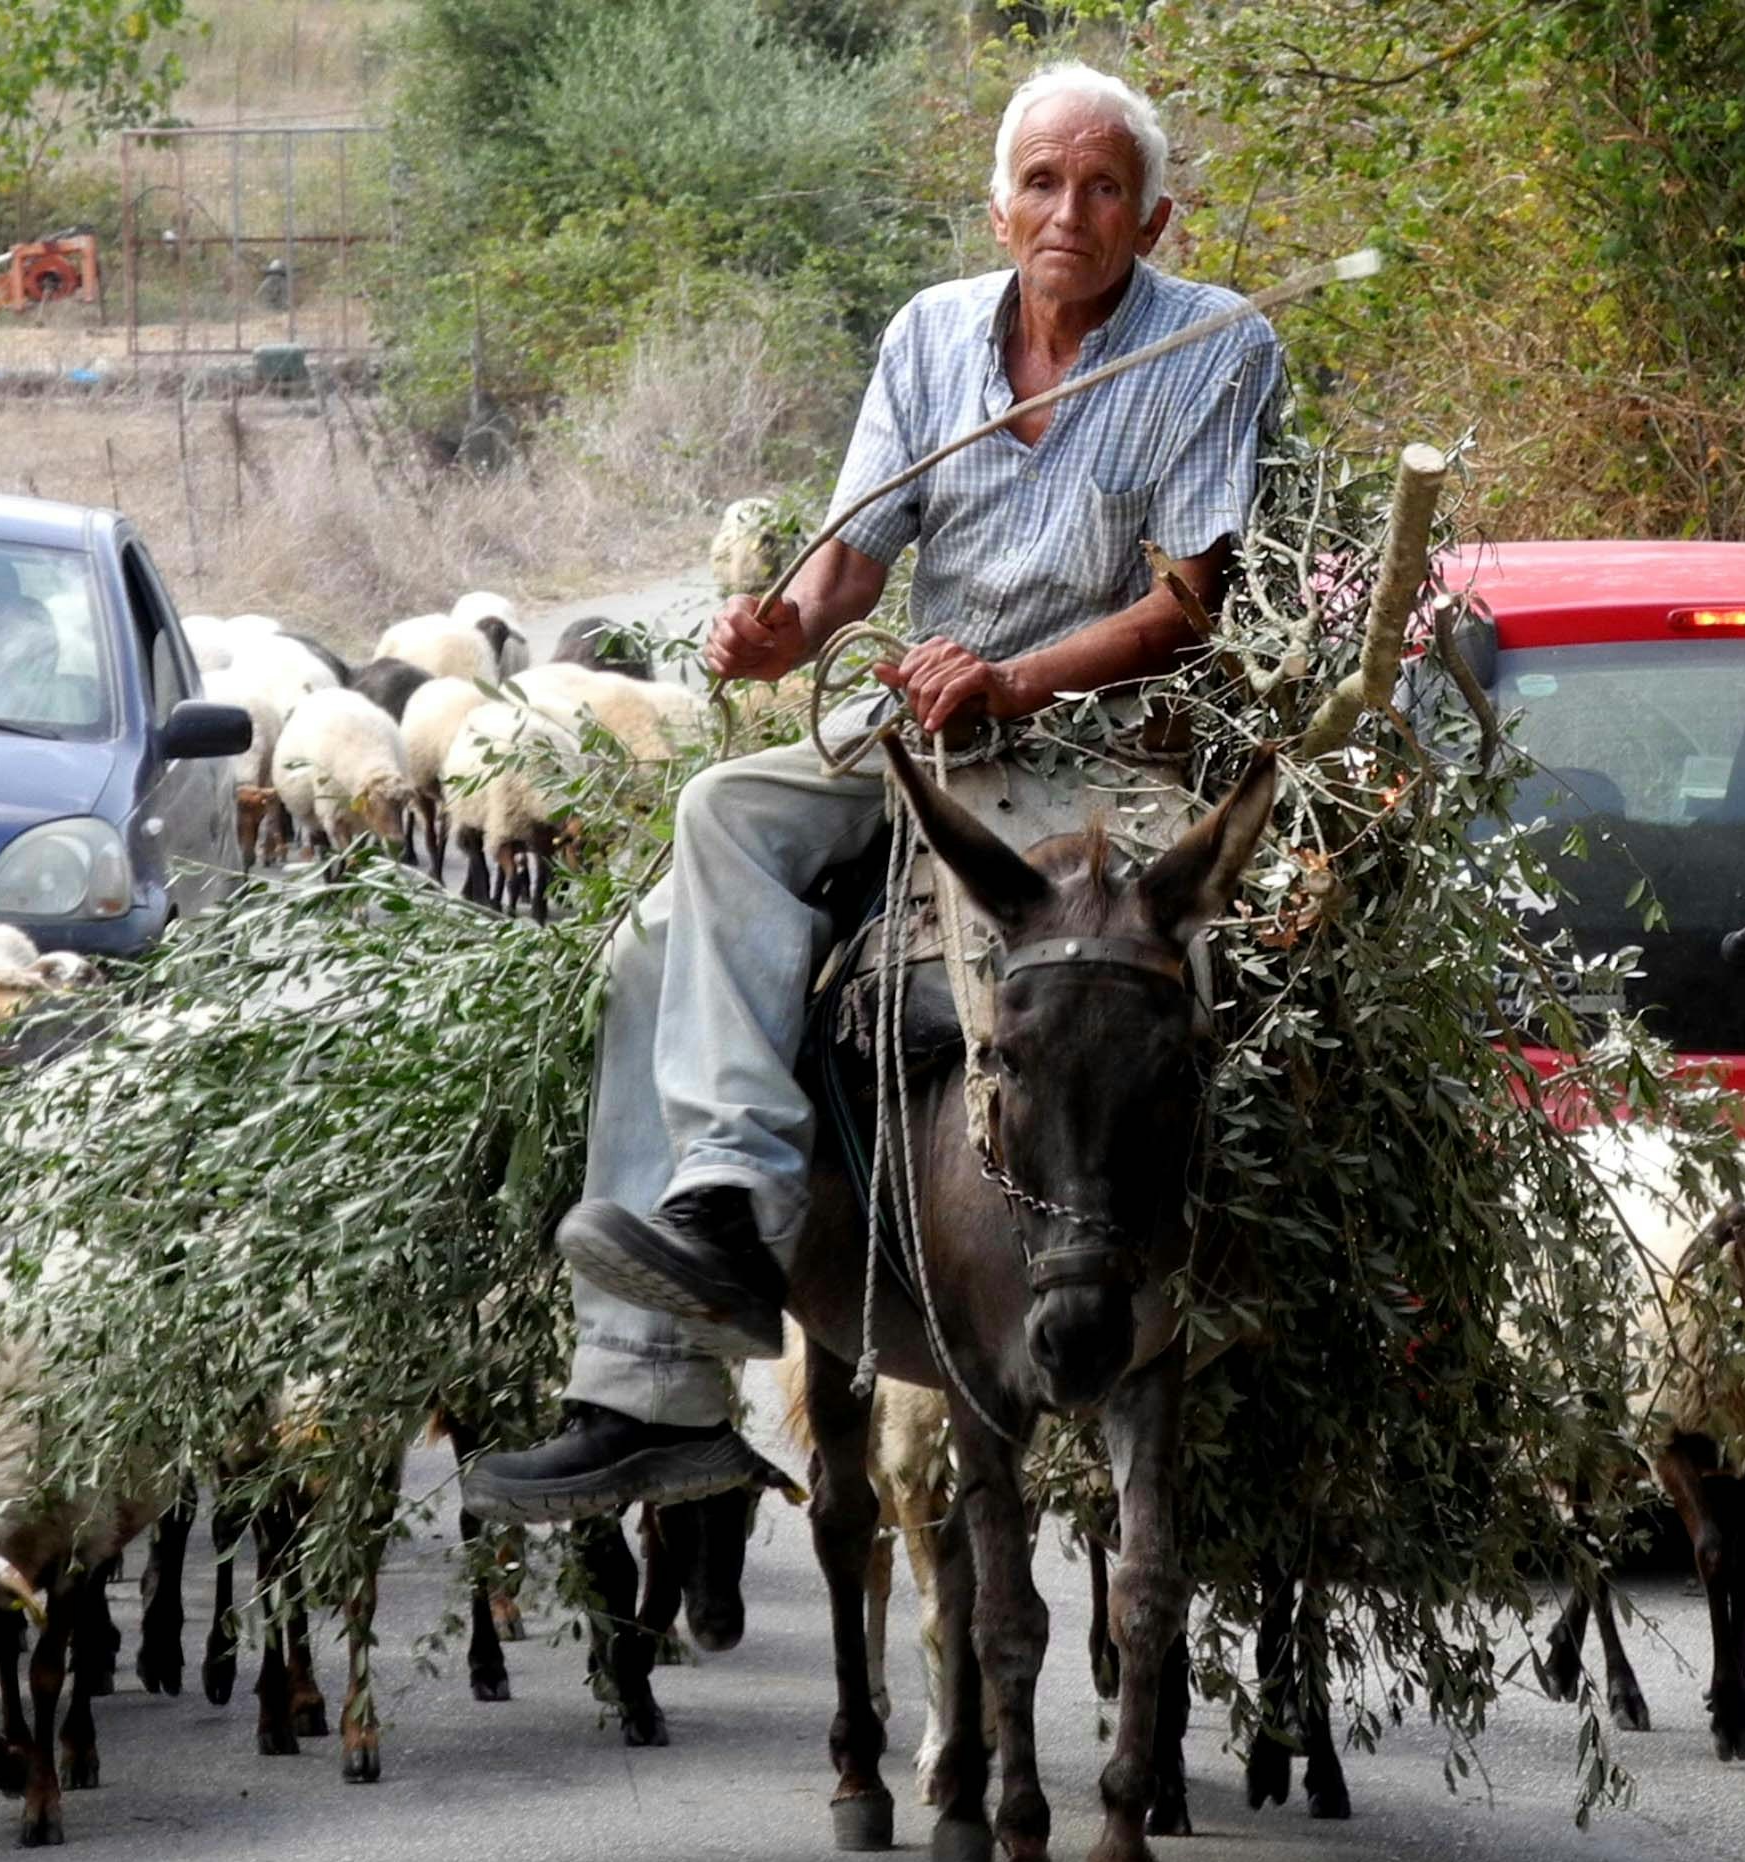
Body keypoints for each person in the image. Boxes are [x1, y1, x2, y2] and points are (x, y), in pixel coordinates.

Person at [461, 62, 1286, 1523]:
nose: (1069, 211)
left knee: (1120, 991)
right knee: (704, 841)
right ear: (997, 202)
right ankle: (676, 1322)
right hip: (924, 728)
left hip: (1099, 757)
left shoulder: (1214, 347)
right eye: (1041, 181)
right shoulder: (926, 338)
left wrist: (1019, 678)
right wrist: (791, 626)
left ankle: (1162, 1278)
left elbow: (1185, 603)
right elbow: (851, 560)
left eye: (1104, 188)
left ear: (1154, 220)